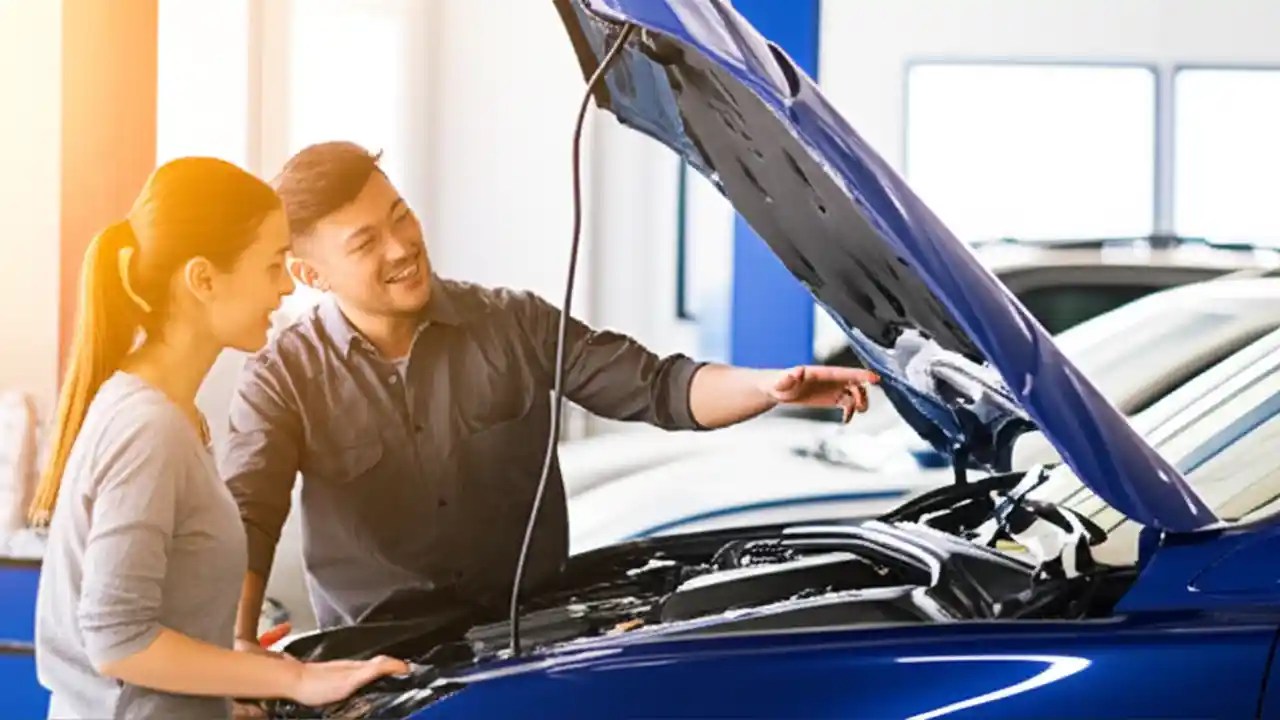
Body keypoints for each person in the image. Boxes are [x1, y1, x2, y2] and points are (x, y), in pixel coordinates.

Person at [222, 141, 879, 640]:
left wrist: (767, 388)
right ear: (311, 274)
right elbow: (249, 521)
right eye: (366, 242)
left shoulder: (513, 323)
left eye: (401, 216)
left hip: (529, 648)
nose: (401, 246)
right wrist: (241, 648)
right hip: (384, 676)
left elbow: (659, 387)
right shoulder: (282, 379)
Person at [30, 157, 407, 720]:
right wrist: (295, 678)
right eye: (273, 264)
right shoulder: (148, 429)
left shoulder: (170, 412)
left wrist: (221, 693)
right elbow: (118, 641)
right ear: (203, 279)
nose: (286, 286)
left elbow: (155, 627)